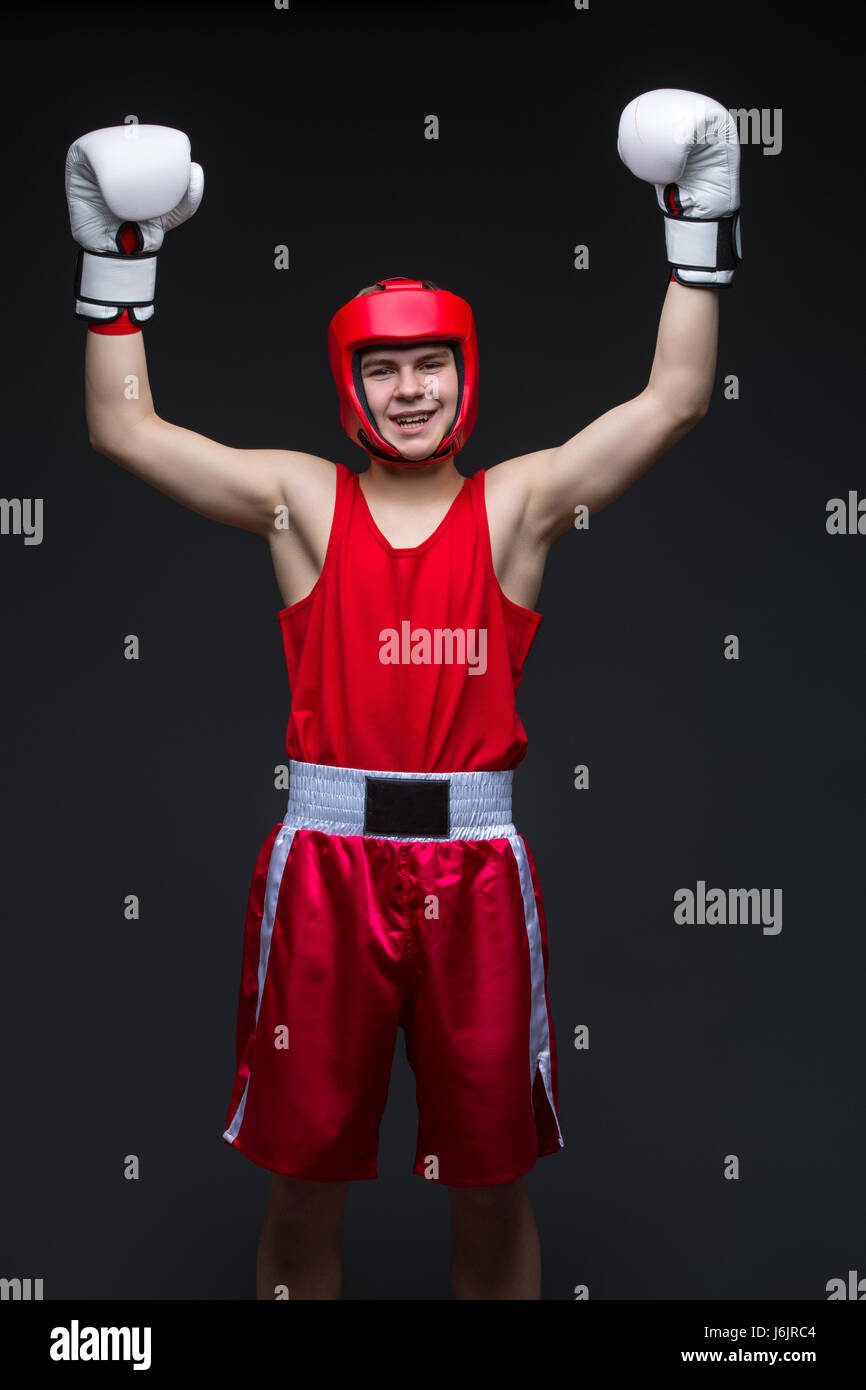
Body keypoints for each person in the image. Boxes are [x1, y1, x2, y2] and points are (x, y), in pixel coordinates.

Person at [67, 89, 740, 1300]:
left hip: (476, 873)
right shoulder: (302, 502)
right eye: (386, 370)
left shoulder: (520, 504)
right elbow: (127, 433)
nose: (412, 389)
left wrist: (697, 225)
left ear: (463, 374)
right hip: (323, 867)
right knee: (299, 1180)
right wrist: (117, 261)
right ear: (351, 386)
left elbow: (672, 402)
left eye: (431, 363)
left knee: (490, 1184)